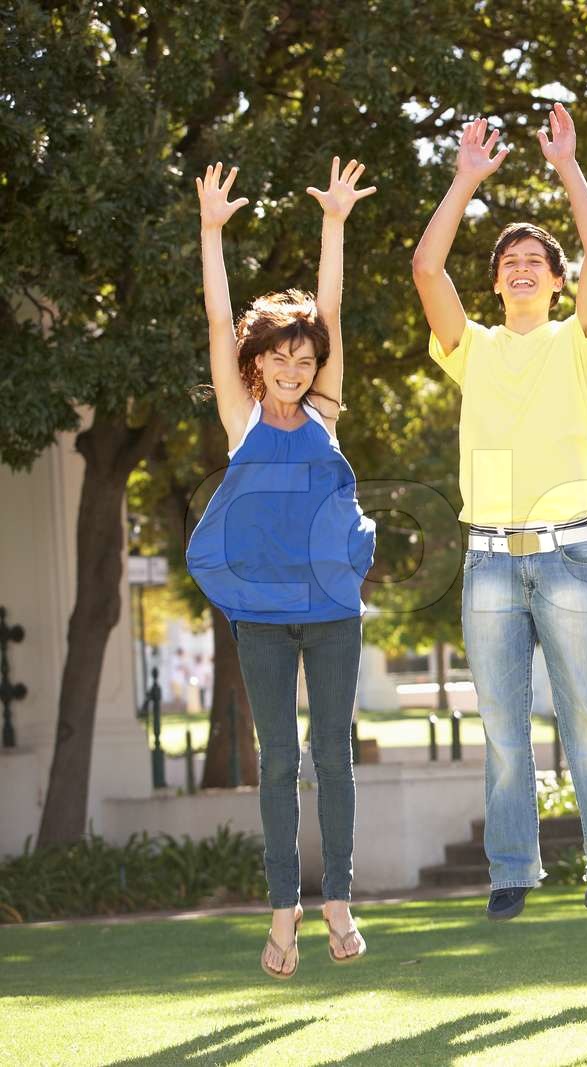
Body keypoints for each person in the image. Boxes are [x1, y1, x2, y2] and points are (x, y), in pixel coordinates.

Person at [411, 109, 587, 920]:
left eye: (537, 259)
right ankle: (513, 870)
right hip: (491, 561)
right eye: (510, 261)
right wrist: (466, 179)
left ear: (558, 279)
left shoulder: (581, 342)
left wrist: (568, 167)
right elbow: (426, 267)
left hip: (569, 554)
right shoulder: (473, 348)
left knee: (584, 718)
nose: (523, 267)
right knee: (505, 728)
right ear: (497, 281)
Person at [186, 158, 378, 977]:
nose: (296, 373)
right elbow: (218, 311)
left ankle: (337, 897)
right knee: (278, 760)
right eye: (283, 361)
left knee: (333, 752)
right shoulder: (240, 417)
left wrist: (335, 224)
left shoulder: (325, 412)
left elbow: (328, 310)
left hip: (332, 604)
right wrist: (211, 233)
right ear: (258, 362)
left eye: (306, 362)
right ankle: (282, 909)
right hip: (260, 611)